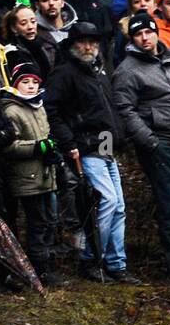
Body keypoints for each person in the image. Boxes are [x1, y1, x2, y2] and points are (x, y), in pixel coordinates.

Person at [113, 11, 170, 286]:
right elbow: (125, 110)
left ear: (156, 32)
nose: (145, 38)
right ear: (132, 38)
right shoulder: (127, 70)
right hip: (161, 145)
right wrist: (150, 141)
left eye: (148, 32)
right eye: (139, 34)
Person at [44, 22, 136, 285]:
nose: (88, 47)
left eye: (93, 42)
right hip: (84, 148)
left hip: (106, 148)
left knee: (117, 206)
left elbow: (109, 109)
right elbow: (51, 110)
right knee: (105, 202)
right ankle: (91, 259)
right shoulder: (63, 74)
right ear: (72, 45)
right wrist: (68, 142)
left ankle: (116, 264)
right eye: (83, 42)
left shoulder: (98, 72)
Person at [0, 62, 65, 286]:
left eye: (35, 82)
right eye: (25, 82)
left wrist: (52, 149)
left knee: (50, 221)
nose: (31, 87)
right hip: (27, 179)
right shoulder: (11, 110)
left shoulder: (39, 106)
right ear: (16, 84)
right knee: (37, 223)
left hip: (46, 175)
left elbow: (47, 136)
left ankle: (49, 263)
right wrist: (37, 147)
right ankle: (40, 269)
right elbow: (9, 146)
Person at [0, 5, 52, 82]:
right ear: (13, 28)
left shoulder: (42, 45)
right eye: (23, 23)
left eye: (33, 21)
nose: (30, 27)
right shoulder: (12, 53)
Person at [110, 0, 156, 68]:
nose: (143, 4)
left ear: (155, 4)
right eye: (137, 1)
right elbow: (118, 59)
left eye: (147, 0)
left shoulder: (161, 24)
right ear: (131, 7)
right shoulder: (125, 29)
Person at [32, 0, 77, 70]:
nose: (51, 3)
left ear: (62, 2)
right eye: (45, 0)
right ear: (37, 5)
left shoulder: (77, 29)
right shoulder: (34, 34)